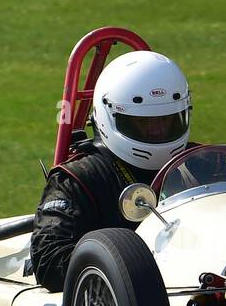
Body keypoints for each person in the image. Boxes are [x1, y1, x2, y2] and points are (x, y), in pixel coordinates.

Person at [30, 50, 194, 292]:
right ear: (112, 116)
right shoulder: (79, 178)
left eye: (166, 120)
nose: (158, 131)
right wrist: (134, 260)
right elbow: (49, 262)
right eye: (144, 122)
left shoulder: (201, 164)